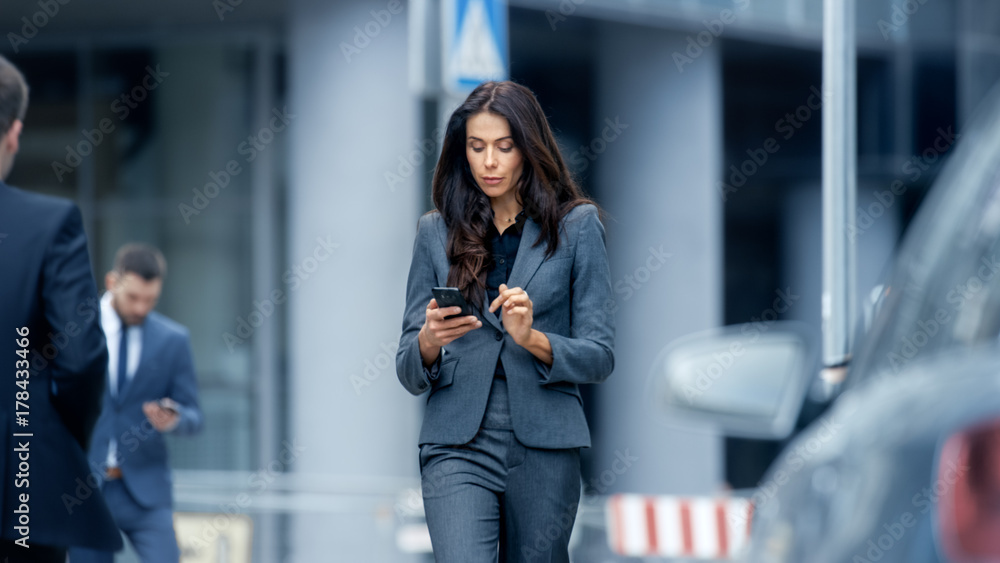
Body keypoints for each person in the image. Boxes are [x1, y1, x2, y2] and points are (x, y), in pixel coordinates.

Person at [396, 80, 615, 562]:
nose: (489, 162)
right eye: (476, 147)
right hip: (456, 443)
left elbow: (599, 357)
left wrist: (532, 338)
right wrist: (429, 340)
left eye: (504, 147)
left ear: (529, 148)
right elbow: (408, 369)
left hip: (545, 443)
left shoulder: (577, 226)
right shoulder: (435, 231)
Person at [0, 55, 123, 560]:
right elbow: (81, 359)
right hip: (20, 492)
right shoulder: (49, 225)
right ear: (14, 133)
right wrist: (49, 437)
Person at [69, 244, 204, 563]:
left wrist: (174, 418)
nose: (141, 308)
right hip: (85, 490)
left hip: (146, 492)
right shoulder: (76, 330)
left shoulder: (172, 340)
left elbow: (195, 416)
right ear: (112, 282)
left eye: (150, 299)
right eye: (133, 297)